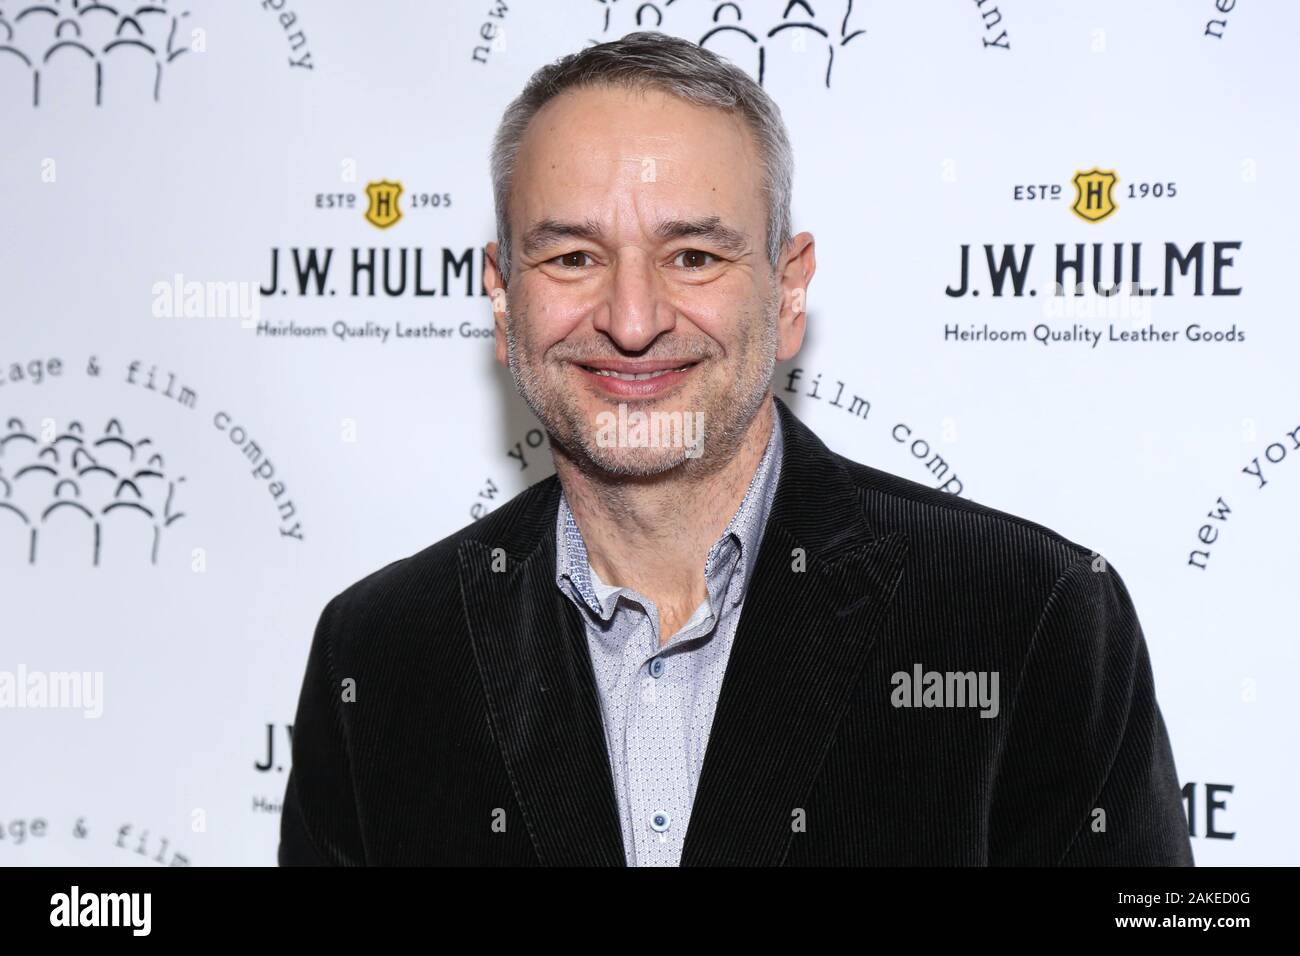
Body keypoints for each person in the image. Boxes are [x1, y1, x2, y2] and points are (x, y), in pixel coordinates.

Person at [279, 31, 1193, 866]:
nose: (631, 322)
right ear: (501, 298)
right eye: (571, 258)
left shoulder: (1031, 616)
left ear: (788, 292)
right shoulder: (381, 653)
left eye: (692, 257)